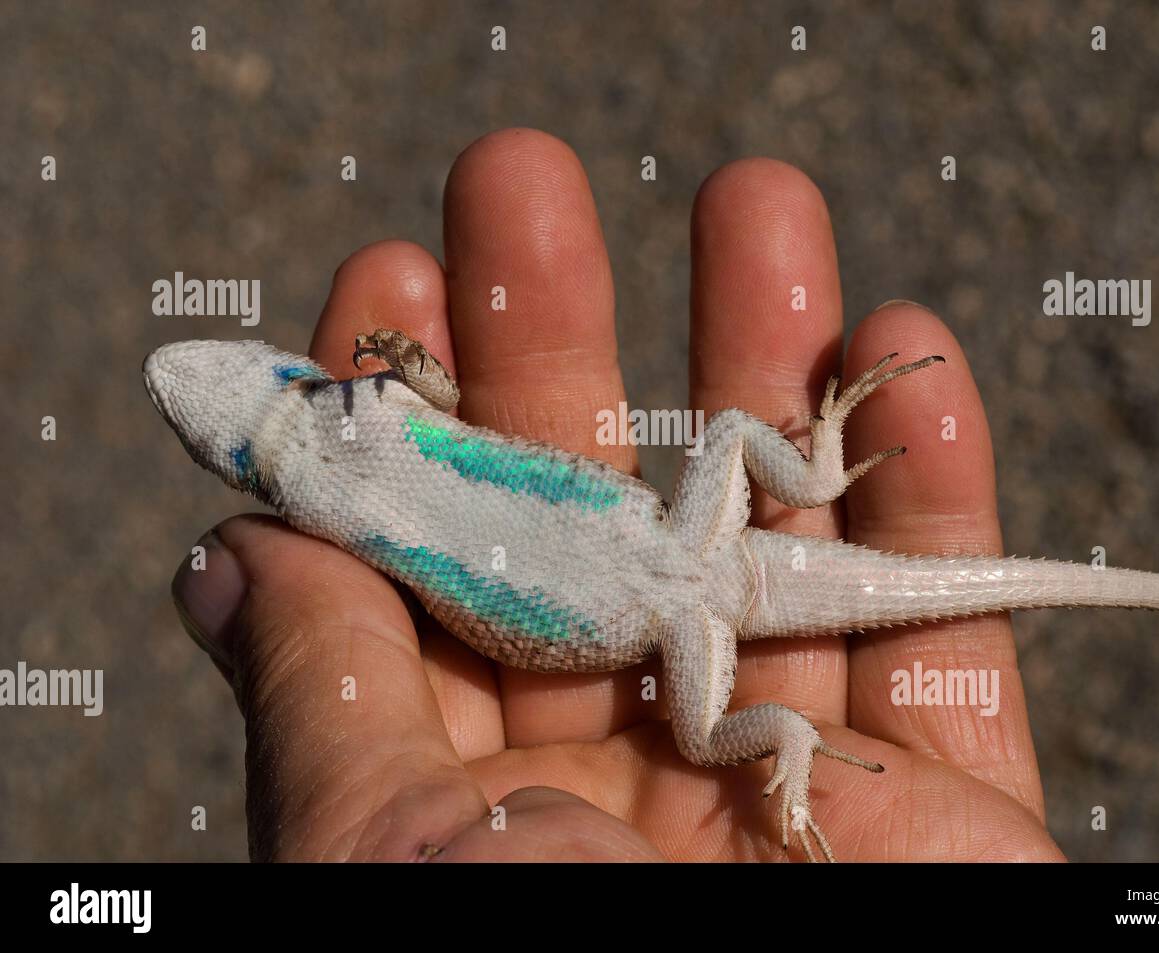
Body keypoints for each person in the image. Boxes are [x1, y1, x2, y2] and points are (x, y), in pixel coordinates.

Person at [171, 128, 1062, 862]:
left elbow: (433, 420)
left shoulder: (315, 517)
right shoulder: (361, 405)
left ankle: (788, 731)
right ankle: (817, 481)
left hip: (676, 597)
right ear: (284, 371)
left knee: (702, 737)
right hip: (683, 551)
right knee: (730, 447)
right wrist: (410, 369)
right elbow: (437, 402)